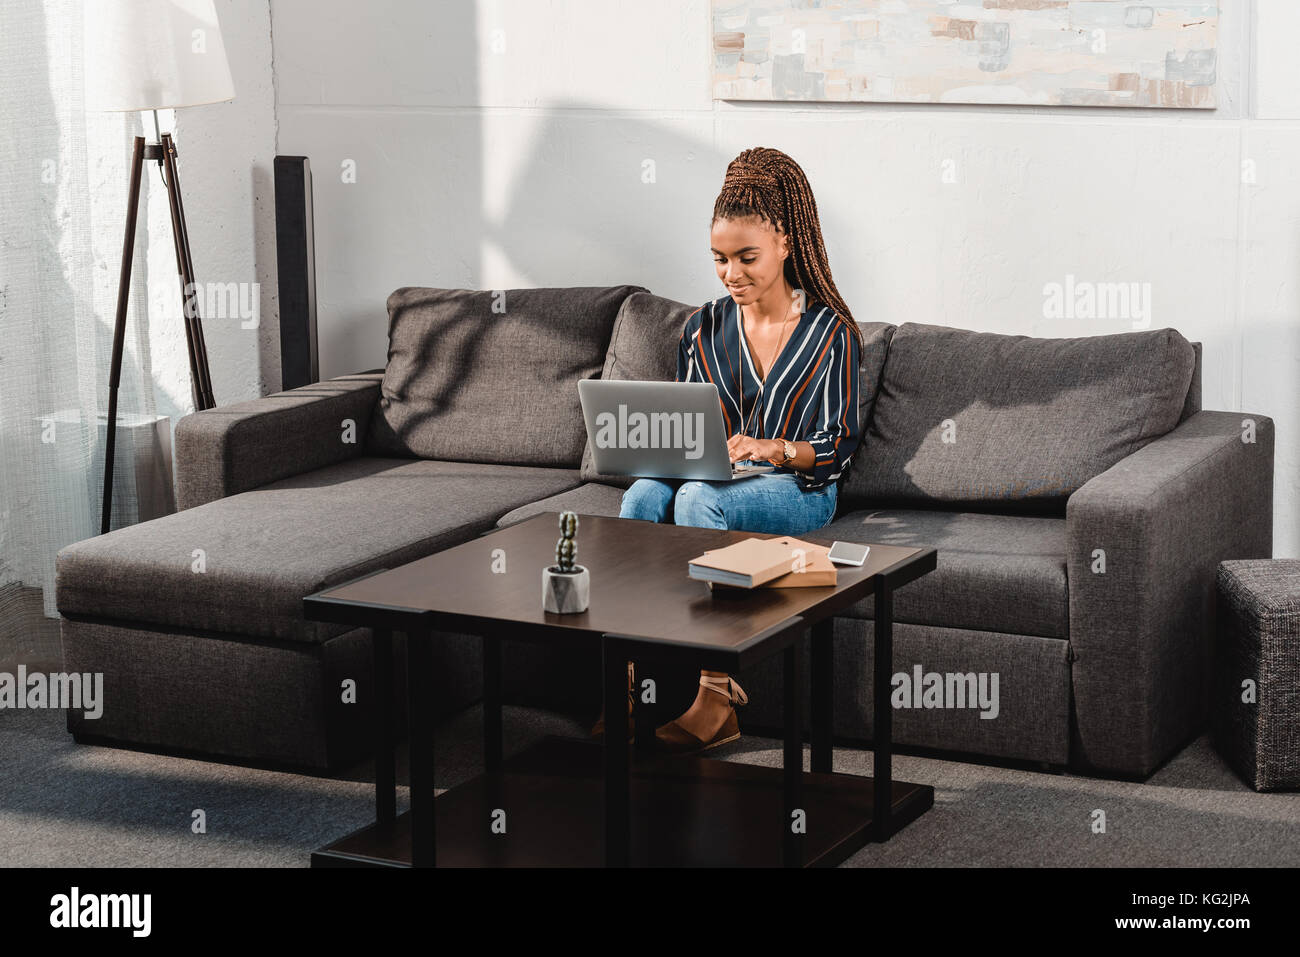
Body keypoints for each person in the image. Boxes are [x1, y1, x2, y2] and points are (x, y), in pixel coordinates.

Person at [594, 146, 864, 754]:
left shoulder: (832, 333)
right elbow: (696, 425)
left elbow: (837, 447)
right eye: (719, 259)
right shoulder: (703, 327)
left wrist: (772, 448)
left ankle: (718, 695)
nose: (731, 274)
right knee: (643, 492)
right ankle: (630, 680)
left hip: (800, 488)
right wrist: (688, 434)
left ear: (787, 244)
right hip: (723, 471)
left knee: (697, 500)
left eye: (747, 258)